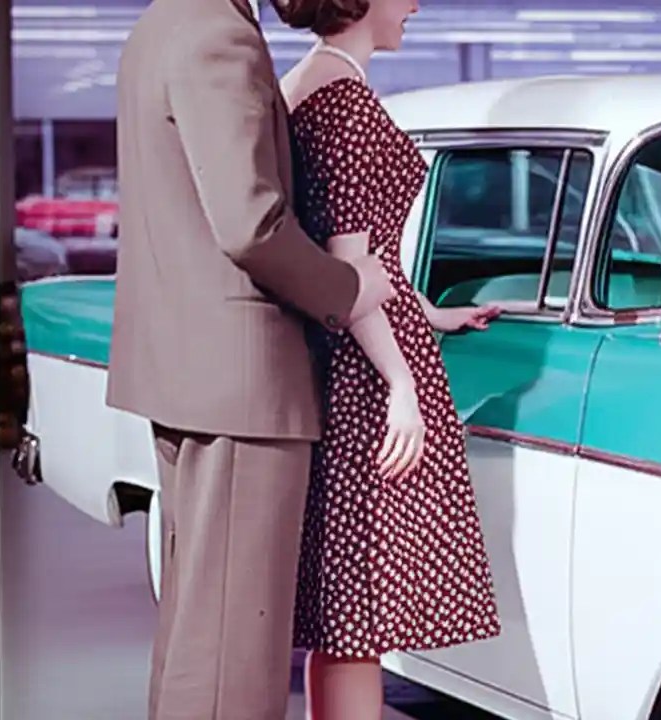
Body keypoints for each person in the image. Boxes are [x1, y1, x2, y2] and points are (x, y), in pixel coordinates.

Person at [108, 0, 397, 717]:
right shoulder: (219, 33)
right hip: (244, 384)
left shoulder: (162, 23)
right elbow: (251, 224)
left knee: (197, 638)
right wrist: (351, 287)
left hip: (190, 371)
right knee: (234, 658)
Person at [272, 0, 504, 717]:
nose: (413, 5)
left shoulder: (308, 85)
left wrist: (431, 313)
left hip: (343, 351)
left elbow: (360, 263)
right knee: (358, 608)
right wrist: (402, 381)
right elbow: (349, 267)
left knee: (348, 611)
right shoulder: (344, 103)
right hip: (364, 369)